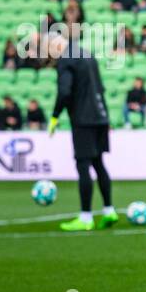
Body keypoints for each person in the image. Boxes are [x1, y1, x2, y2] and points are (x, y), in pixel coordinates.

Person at [46, 33, 117, 232]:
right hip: (100, 116)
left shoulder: (66, 60)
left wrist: (55, 116)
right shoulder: (87, 55)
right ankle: (109, 210)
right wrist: (107, 117)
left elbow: (65, 91)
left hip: (83, 119)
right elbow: (100, 88)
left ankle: (86, 217)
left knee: (83, 164)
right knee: (99, 163)